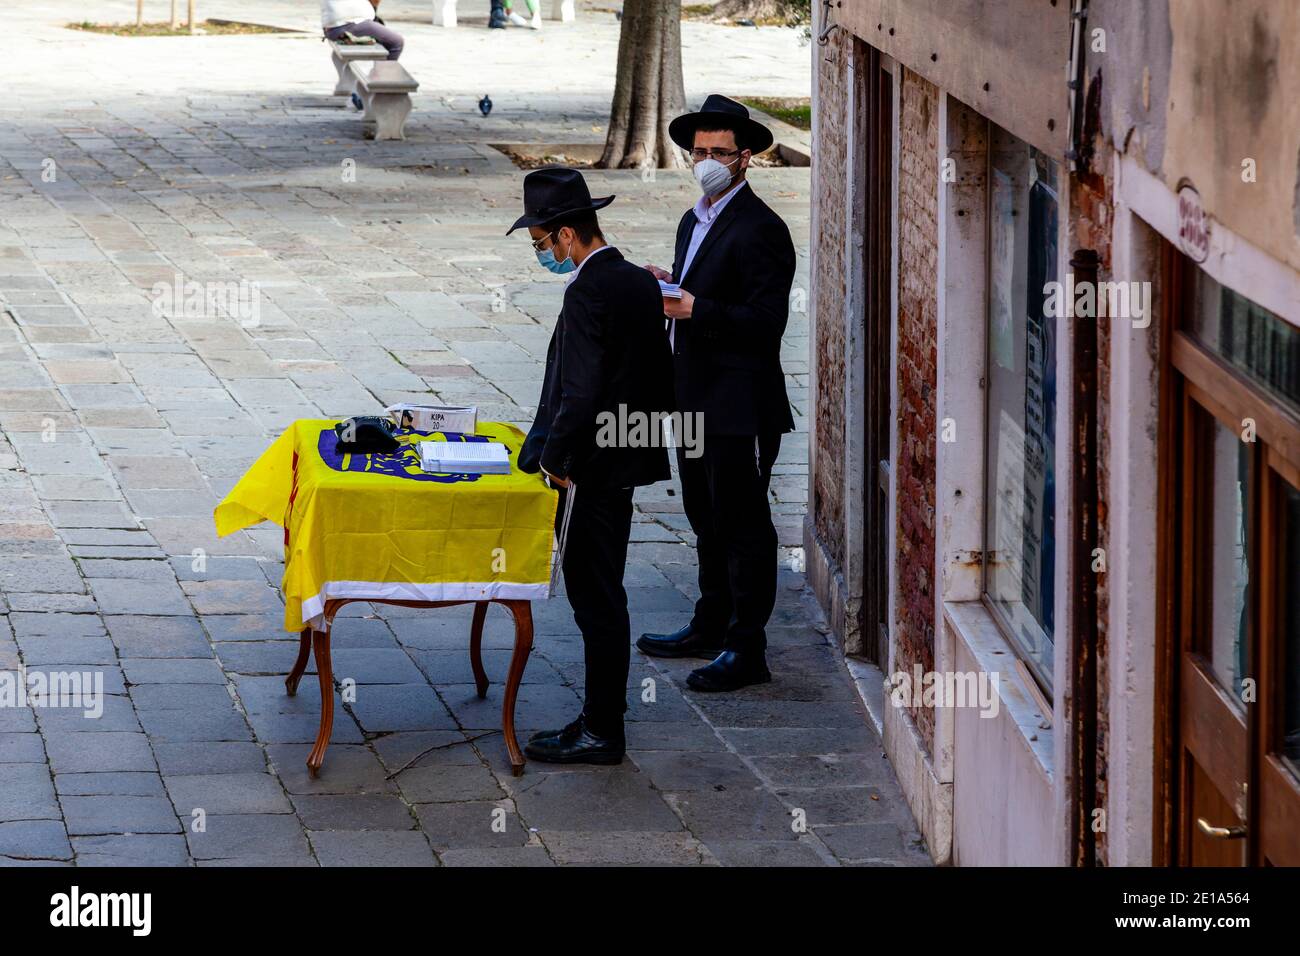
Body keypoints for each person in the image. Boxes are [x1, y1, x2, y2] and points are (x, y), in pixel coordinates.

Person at [508, 168, 674, 764]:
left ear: (568, 235)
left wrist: (556, 460)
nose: (543, 254)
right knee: (606, 593)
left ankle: (603, 728)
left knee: (594, 598)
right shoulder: (637, 282)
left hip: (590, 470)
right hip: (625, 457)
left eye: (542, 243)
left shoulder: (585, 293)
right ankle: (602, 719)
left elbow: (580, 391)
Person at [636, 94, 797, 692]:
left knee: (744, 524)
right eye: (699, 151)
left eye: (719, 152)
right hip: (692, 398)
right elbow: (694, 293)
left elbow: (764, 322)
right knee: (703, 516)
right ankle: (709, 622)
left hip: (741, 404)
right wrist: (670, 285)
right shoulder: (693, 218)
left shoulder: (762, 229)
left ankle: (746, 647)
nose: (706, 160)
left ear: (745, 157)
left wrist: (696, 306)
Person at [321, 0, 404, 59]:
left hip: (336, 25)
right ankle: (384, 80)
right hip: (347, 24)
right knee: (396, 42)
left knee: (381, 36)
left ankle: (376, 76)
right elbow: (375, 2)